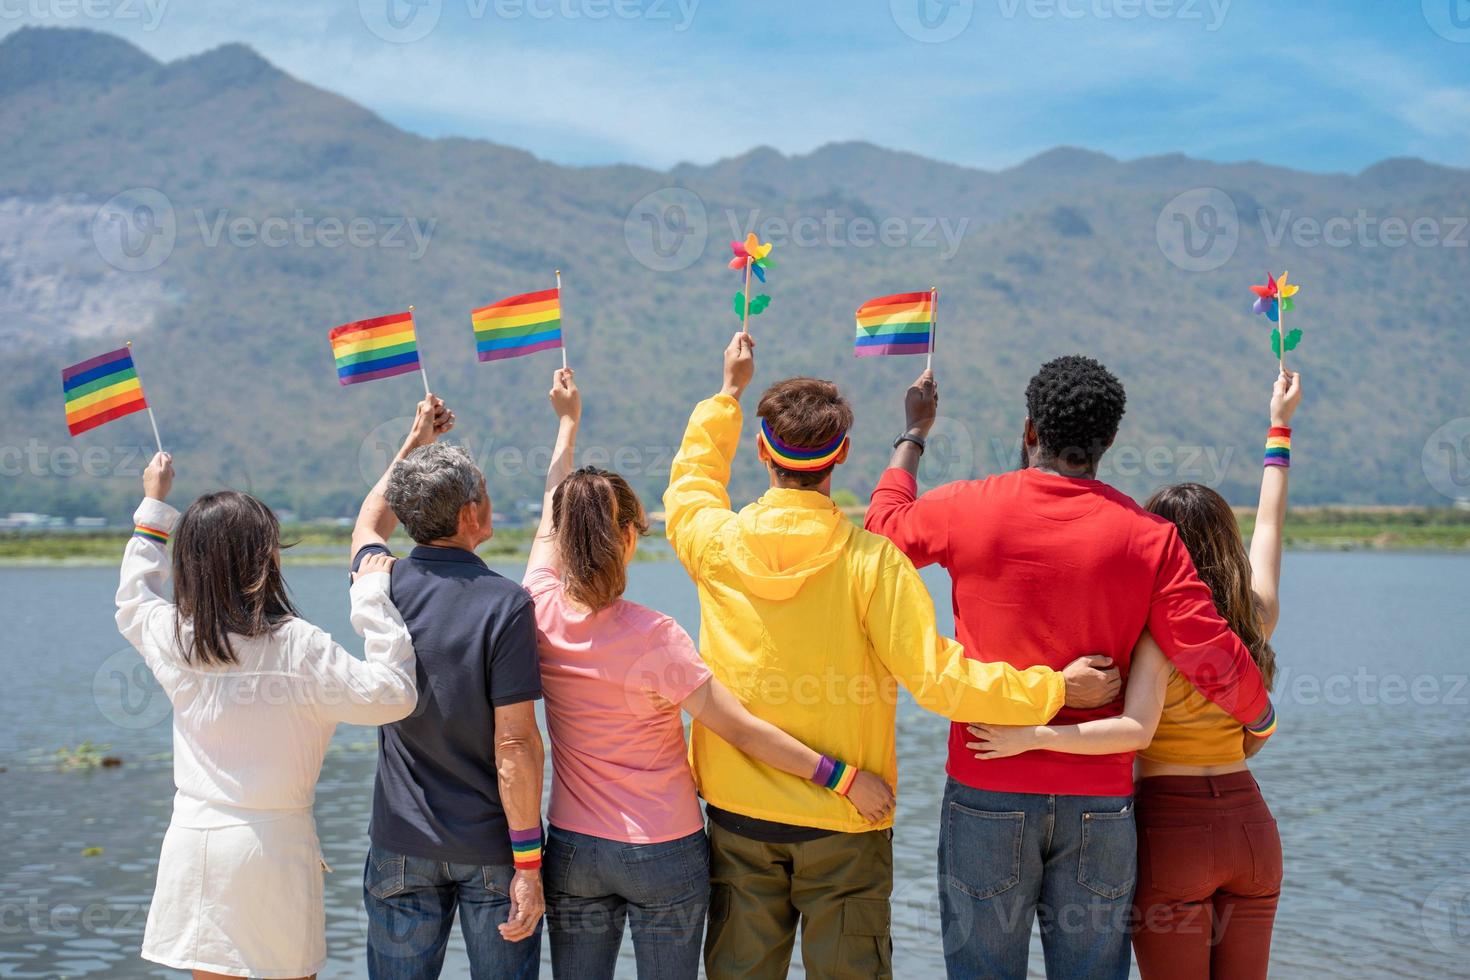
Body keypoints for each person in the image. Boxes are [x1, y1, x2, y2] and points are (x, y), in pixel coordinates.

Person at [665, 333, 1120, 980]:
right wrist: (1054, 690)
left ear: (764, 453)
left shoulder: (713, 544)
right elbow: (939, 682)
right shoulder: (874, 564)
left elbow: (691, 481)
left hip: (737, 821)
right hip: (849, 821)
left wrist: (729, 393)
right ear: (842, 455)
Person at [865, 357, 1278, 980]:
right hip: (1101, 802)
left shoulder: (967, 507)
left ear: (1031, 430)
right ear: (1108, 441)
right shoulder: (1150, 538)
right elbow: (1204, 646)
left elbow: (881, 534)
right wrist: (1260, 712)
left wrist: (914, 435)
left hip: (987, 786)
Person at [523, 368, 895, 980]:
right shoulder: (656, 637)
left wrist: (566, 425)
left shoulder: (535, 607)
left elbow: (549, 510)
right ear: (626, 539)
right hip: (664, 849)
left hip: (572, 847)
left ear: (560, 539)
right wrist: (841, 776)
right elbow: (743, 731)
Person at [965, 371, 1302, 980]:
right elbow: (1271, 526)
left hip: (1174, 834)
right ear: (1227, 542)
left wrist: (1034, 731)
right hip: (1253, 829)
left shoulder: (1155, 635)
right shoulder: (1254, 617)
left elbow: (1134, 728)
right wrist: (1280, 426)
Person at [117, 452, 417, 980]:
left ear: (192, 565)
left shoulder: (177, 638)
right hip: (271, 850)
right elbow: (393, 696)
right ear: (266, 560)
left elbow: (134, 599)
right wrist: (372, 596)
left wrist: (154, 502)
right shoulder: (297, 646)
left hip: (195, 842)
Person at [351, 396, 546, 980]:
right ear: (469, 514)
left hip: (400, 845)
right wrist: (529, 868)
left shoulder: (378, 582)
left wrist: (413, 442)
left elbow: (369, 521)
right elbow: (514, 745)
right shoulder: (506, 604)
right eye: (484, 495)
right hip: (490, 850)